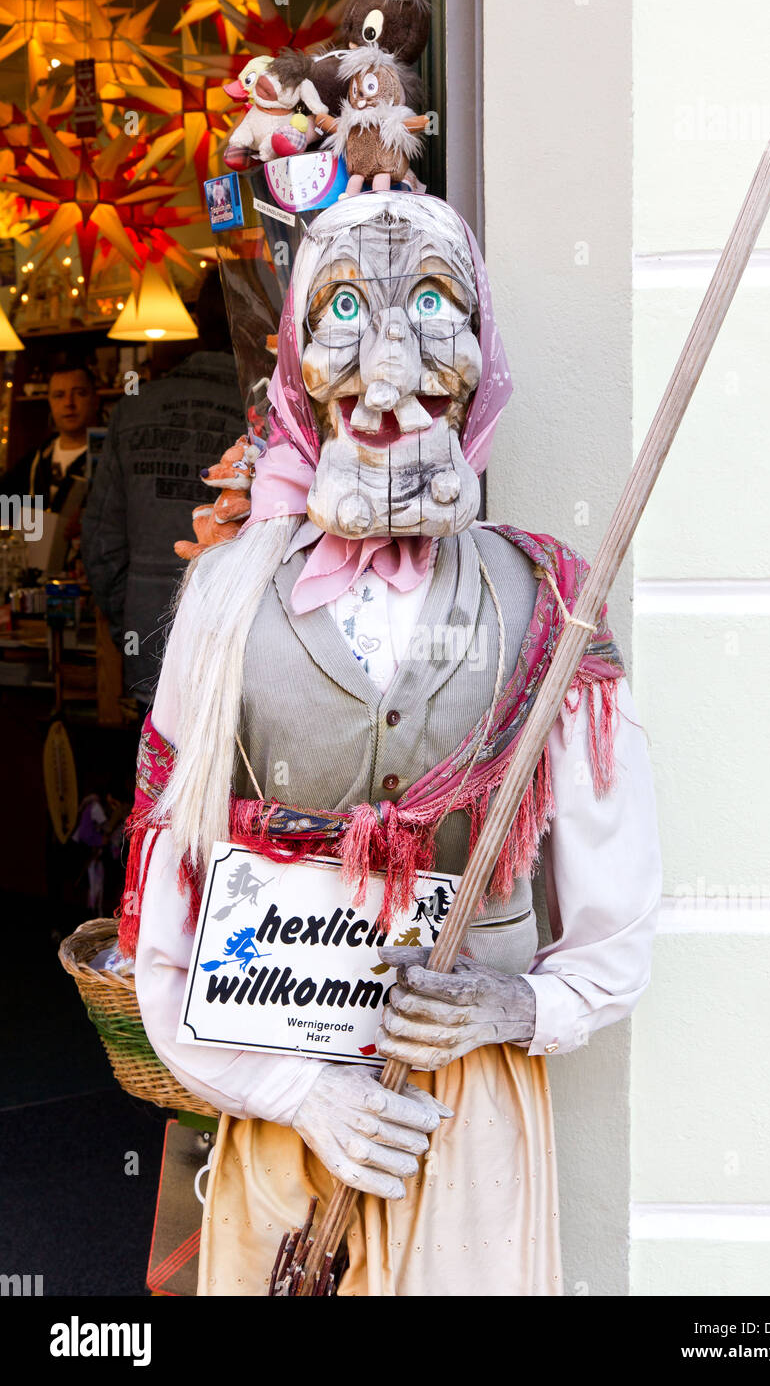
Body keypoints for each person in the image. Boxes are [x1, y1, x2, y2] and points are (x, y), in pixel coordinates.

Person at [125, 193, 663, 1296]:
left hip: (464, 1140)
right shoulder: (227, 600)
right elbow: (163, 946)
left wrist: (510, 1007)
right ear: (293, 366)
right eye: (341, 311)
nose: (387, 361)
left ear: (480, 352)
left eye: (429, 303)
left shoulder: (551, 610)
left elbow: (612, 932)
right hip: (281, 1142)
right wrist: (296, 1092)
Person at [82, 271, 245, 708]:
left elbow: (101, 547)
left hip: (152, 664)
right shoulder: (270, 413)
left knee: (159, 777)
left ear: (197, 320)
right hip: (243, 668)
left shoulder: (135, 406)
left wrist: (137, 623)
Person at [0, 363, 100, 508]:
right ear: (50, 403)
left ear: (95, 401)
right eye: (59, 395)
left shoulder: (116, 457)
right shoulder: (35, 460)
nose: (68, 403)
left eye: (79, 393)